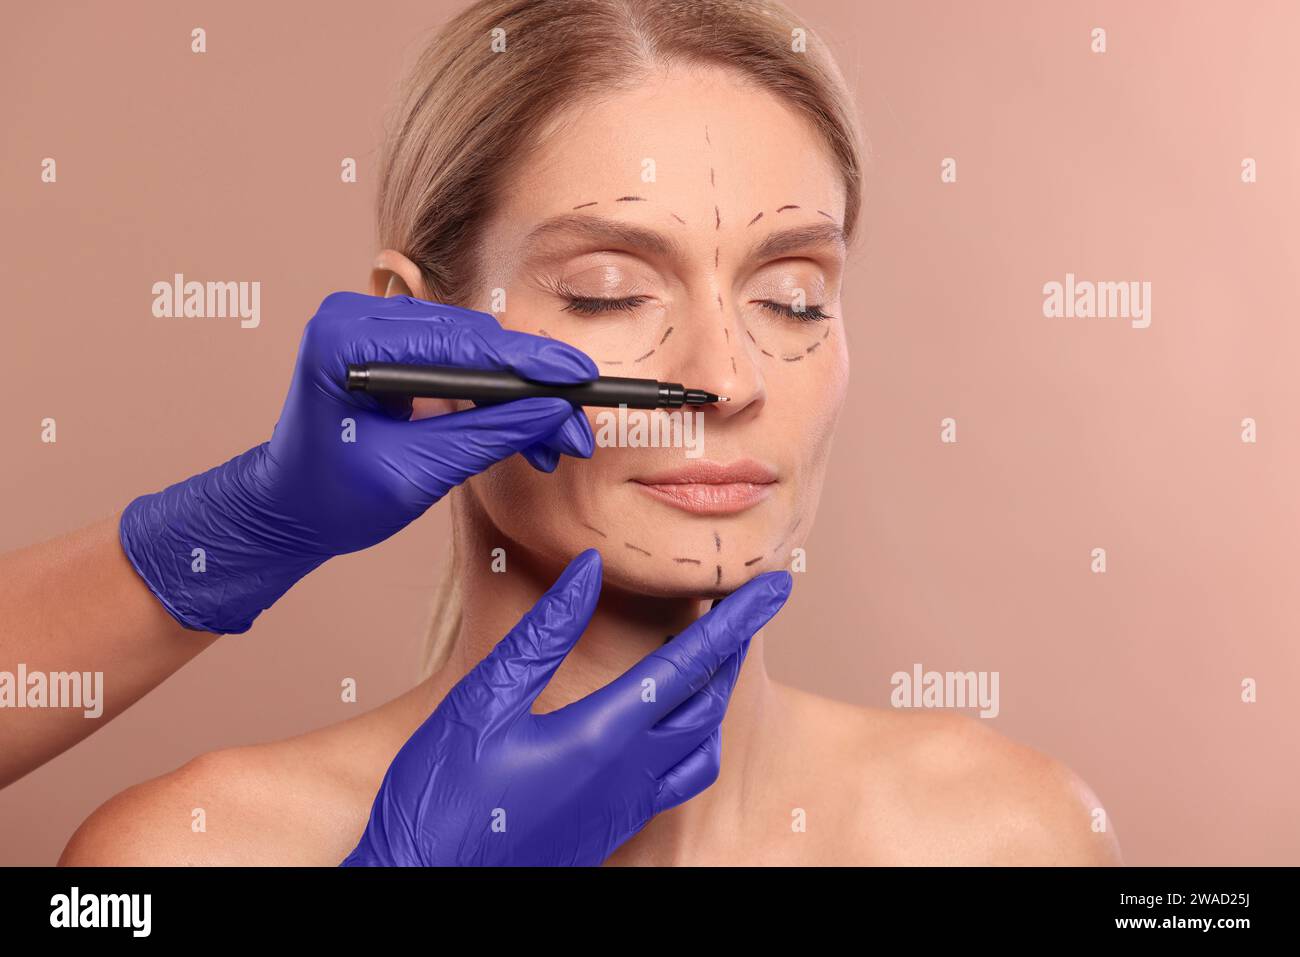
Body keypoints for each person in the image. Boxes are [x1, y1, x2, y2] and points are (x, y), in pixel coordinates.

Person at [55, 0, 1121, 865]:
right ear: (415, 337)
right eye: (609, 293)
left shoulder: (1006, 835)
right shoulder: (190, 854)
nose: (726, 378)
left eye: (794, 297)